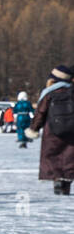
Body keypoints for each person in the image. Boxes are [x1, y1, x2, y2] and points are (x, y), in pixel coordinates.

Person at [24, 65, 74, 194]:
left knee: (53, 157)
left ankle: (57, 179)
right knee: (70, 158)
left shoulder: (49, 93)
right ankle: (66, 183)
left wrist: (33, 129)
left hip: (52, 132)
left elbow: (40, 112)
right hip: (72, 133)